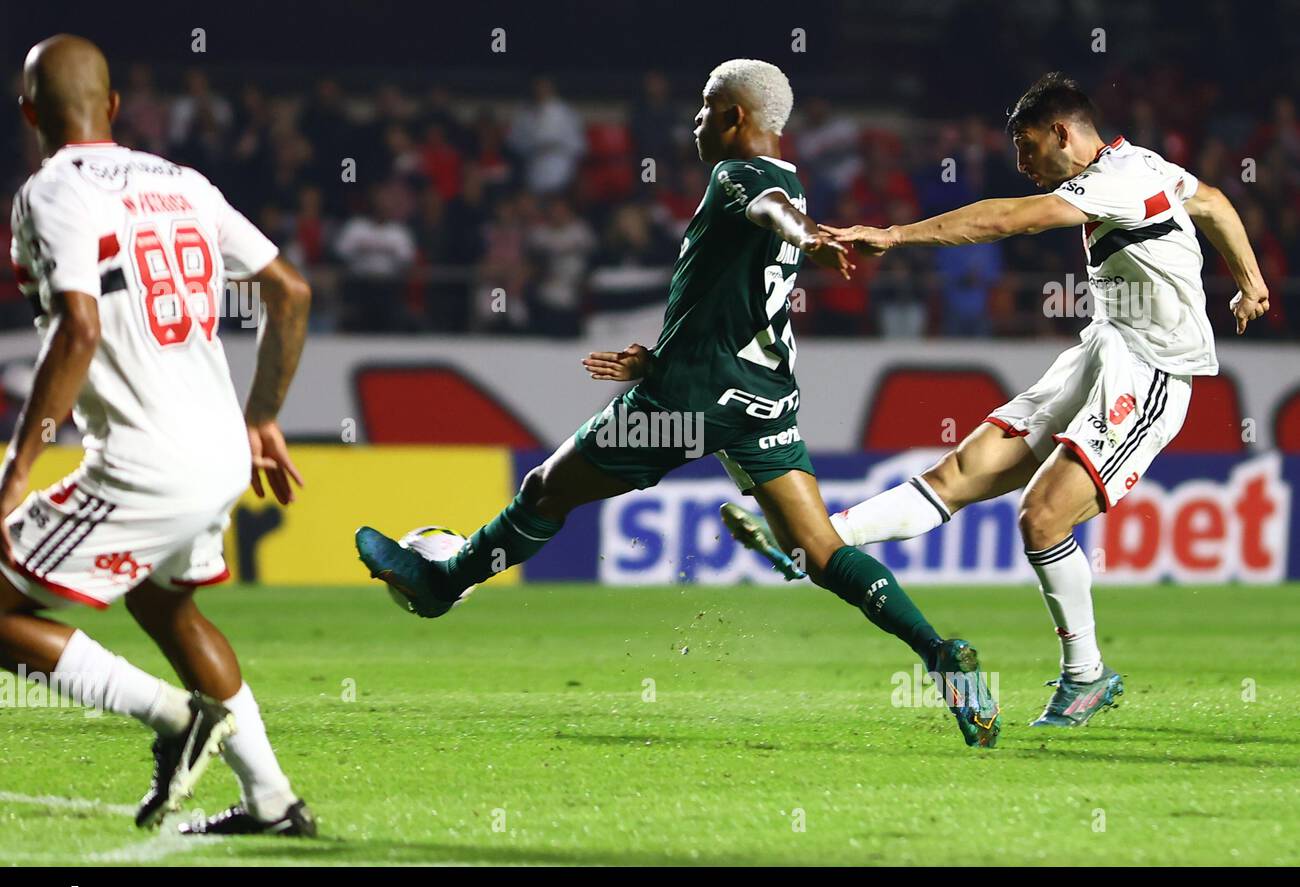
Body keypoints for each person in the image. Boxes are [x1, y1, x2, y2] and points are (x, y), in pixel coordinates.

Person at [357, 59, 1000, 748]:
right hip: (761, 399)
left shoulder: (743, 176)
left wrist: (809, 237)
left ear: (735, 118)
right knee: (819, 550)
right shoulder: (784, 181)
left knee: (546, 489)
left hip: (691, 400)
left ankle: (442, 583)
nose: (696, 122)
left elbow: (769, 212)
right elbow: (739, 292)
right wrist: (661, 354)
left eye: (704, 108)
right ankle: (940, 656)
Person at [729, 73, 1270, 728]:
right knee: (955, 476)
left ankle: (1087, 675)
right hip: (1102, 352)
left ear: (1061, 133)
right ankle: (808, 541)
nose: (1022, 163)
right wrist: (1251, 283)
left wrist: (897, 236)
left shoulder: (1115, 180)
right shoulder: (1143, 167)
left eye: (1026, 146)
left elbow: (1009, 218)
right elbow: (1210, 200)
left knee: (1042, 520)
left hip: (1151, 371)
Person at [1, 36, 316, 835]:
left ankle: (175, 720)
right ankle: (274, 802)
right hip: (216, 451)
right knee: (167, 609)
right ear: (112, 107)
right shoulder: (184, 184)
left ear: (29, 113)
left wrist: (21, 461)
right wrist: (262, 416)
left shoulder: (50, 192)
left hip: (145, 462)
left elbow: (77, 329)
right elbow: (289, 291)